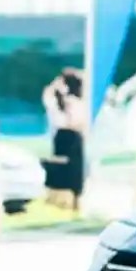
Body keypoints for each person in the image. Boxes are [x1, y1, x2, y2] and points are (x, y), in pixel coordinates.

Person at [41, 69, 86, 209]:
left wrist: (57, 85)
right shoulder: (76, 102)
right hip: (73, 137)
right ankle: (73, 202)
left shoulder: (56, 101)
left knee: (62, 169)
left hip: (62, 136)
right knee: (74, 172)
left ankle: (58, 200)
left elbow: (47, 94)